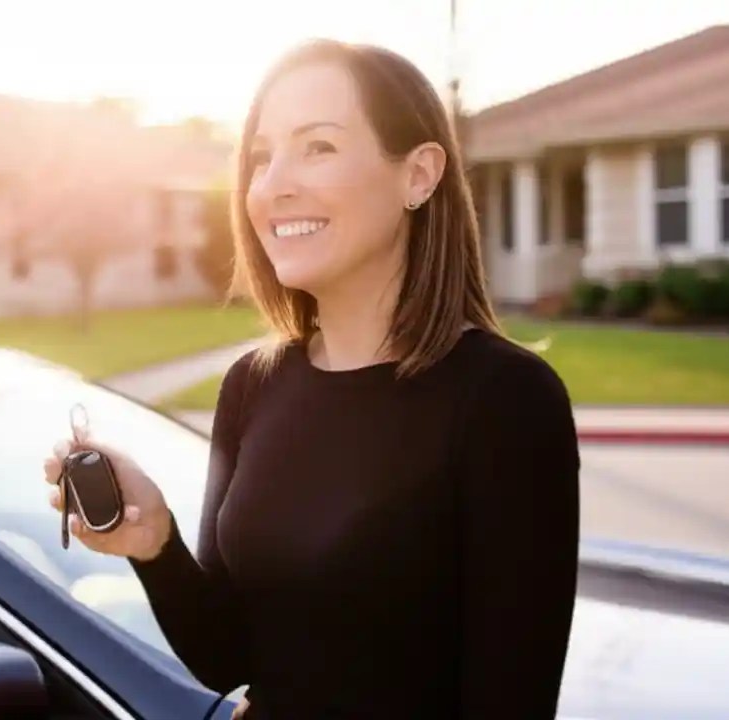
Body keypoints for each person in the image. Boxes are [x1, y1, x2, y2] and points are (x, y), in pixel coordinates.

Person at [43, 38, 580, 719]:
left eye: (318, 147)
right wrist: (154, 543)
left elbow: (512, 703)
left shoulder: (505, 399)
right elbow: (230, 658)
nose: (273, 184)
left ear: (419, 175)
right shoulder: (252, 385)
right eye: (262, 157)